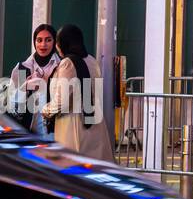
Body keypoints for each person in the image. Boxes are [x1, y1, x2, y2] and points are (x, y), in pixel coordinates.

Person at [41, 25, 114, 162]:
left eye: (57, 42)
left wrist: (45, 110)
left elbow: (60, 102)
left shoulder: (67, 64)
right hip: (95, 124)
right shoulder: (92, 61)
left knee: (74, 169)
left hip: (73, 125)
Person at [9, 24, 58, 135]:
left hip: (53, 132)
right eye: (39, 40)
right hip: (26, 132)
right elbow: (12, 105)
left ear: (55, 42)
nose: (43, 44)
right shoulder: (22, 68)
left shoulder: (61, 67)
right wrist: (24, 88)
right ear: (34, 42)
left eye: (48, 40)